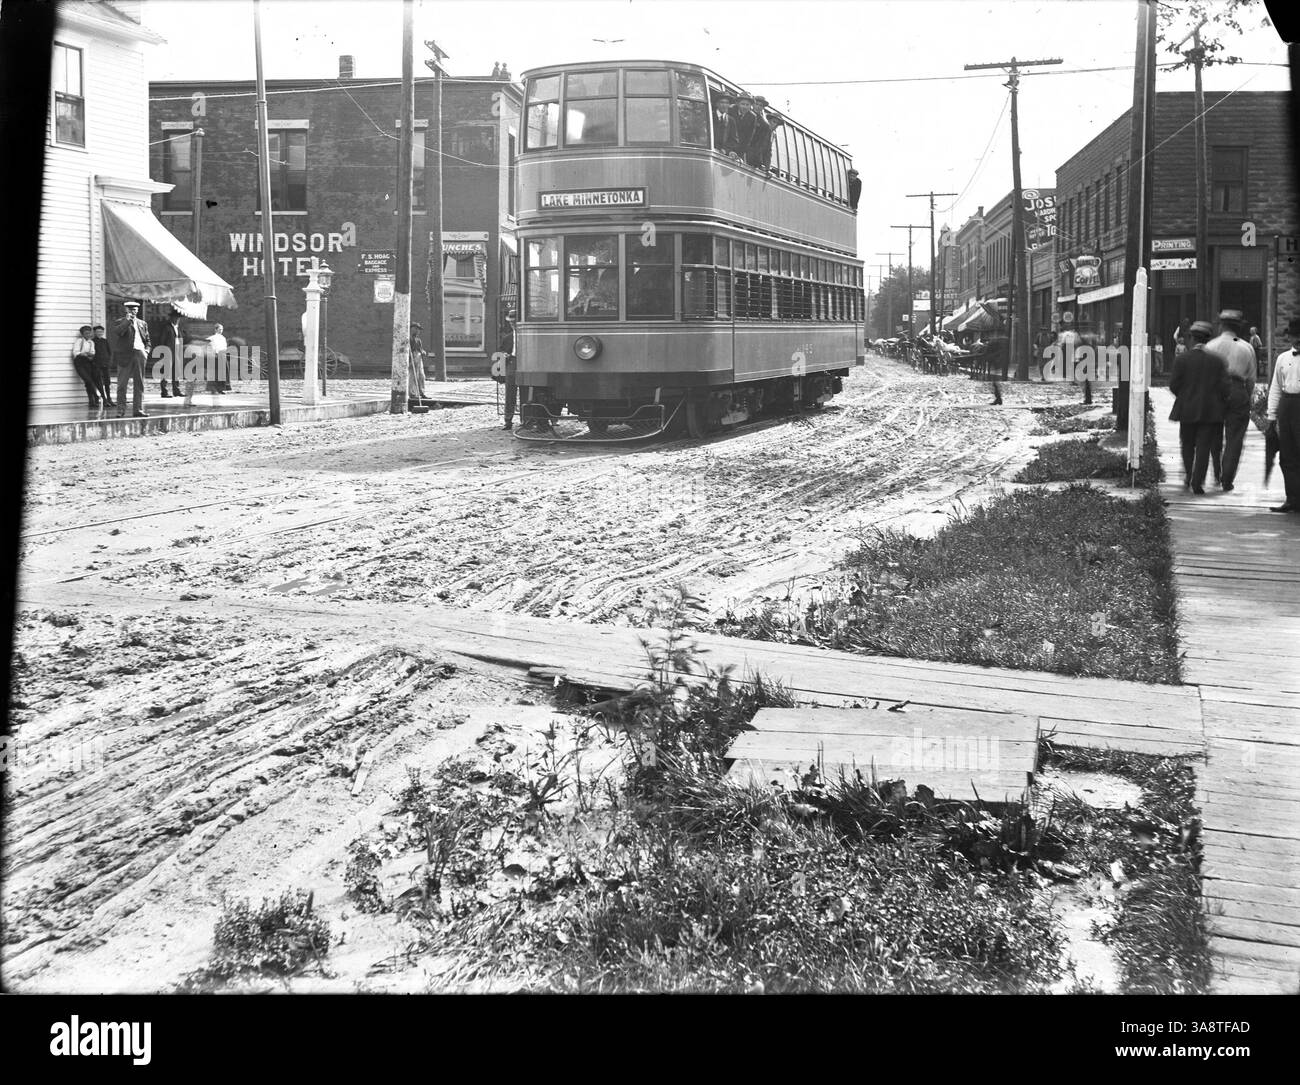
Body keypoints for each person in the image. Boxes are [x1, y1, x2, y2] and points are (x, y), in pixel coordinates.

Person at [1169, 320, 1230, 494]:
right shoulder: (1217, 361)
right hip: (1210, 411)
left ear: (1191, 338)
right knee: (1204, 446)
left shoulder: (1182, 360)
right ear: (1209, 338)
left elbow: (1173, 385)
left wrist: (1185, 397)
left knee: (1187, 444)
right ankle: (1198, 482)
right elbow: (1225, 388)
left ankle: (1188, 475)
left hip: (1187, 409)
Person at [1206, 308, 1257, 492]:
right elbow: (1251, 379)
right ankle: (1227, 478)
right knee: (1235, 438)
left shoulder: (1211, 346)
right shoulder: (1246, 346)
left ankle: (1216, 471)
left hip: (1215, 391)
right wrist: (1246, 396)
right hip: (1237, 390)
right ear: (1238, 327)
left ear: (1221, 326)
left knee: (1214, 433)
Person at [1266, 316, 1300, 513]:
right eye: (1294, 336)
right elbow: (1276, 388)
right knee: (1287, 455)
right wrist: (1271, 417)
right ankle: (1292, 498)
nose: (1296, 340)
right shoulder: (1283, 359)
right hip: (1287, 406)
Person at [111, 301, 150, 418]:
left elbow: (147, 339)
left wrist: (146, 351)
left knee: (139, 383)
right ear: (126, 310)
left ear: (137, 310)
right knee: (122, 384)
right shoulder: (120, 322)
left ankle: (138, 410)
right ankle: (120, 410)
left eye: (135, 310)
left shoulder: (143, 323)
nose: (133, 312)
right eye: (130, 309)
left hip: (140, 354)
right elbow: (118, 332)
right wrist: (127, 321)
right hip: (125, 355)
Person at [71, 324, 101, 409]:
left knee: (88, 382)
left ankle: (92, 402)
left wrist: (88, 354)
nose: (88, 335)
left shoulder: (91, 342)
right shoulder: (79, 341)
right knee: (88, 379)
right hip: (79, 362)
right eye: (86, 333)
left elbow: (93, 352)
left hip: (88, 362)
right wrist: (84, 353)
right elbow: (76, 353)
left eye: (89, 333)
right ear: (82, 334)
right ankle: (96, 395)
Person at [157, 307, 184, 398]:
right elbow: (162, 340)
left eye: (178, 318)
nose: (177, 320)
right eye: (175, 318)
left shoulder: (178, 328)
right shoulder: (167, 327)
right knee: (166, 372)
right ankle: (164, 392)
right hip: (168, 352)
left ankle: (176, 390)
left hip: (176, 352)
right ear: (171, 318)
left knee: (176, 372)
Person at [499, 314, 517, 430]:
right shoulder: (507, 338)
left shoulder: (528, 336)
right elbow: (501, 350)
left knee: (526, 392)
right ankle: (508, 420)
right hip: (512, 362)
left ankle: (526, 421)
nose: (513, 325)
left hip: (525, 363)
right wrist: (505, 355)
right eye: (511, 323)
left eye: (514, 322)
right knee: (510, 392)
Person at [91, 324, 114, 408]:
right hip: (97, 365)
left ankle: (109, 398)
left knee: (107, 382)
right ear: (94, 332)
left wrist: (109, 362)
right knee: (99, 382)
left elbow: (109, 352)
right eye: (97, 332)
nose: (99, 333)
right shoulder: (92, 341)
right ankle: (104, 399)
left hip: (106, 365)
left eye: (101, 332)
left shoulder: (105, 341)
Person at [408, 322, 428, 405]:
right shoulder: (408, 339)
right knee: (413, 376)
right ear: (412, 329)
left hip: (419, 358)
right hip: (411, 358)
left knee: (421, 376)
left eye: (418, 330)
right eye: (416, 329)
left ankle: (421, 392)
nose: (418, 331)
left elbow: (420, 349)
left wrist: (423, 352)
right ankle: (412, 393)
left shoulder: (418, 340)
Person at [208, 322, 230, 392]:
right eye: (219, 329)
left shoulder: (223, 338)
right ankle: (215, 388)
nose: (221, 331)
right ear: (215, 330)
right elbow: (209, 344)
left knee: (224, 372)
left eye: (222, 329)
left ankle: (222, 388)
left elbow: (225, 347)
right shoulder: (212, 338)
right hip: (216, 356)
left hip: (223, 356)